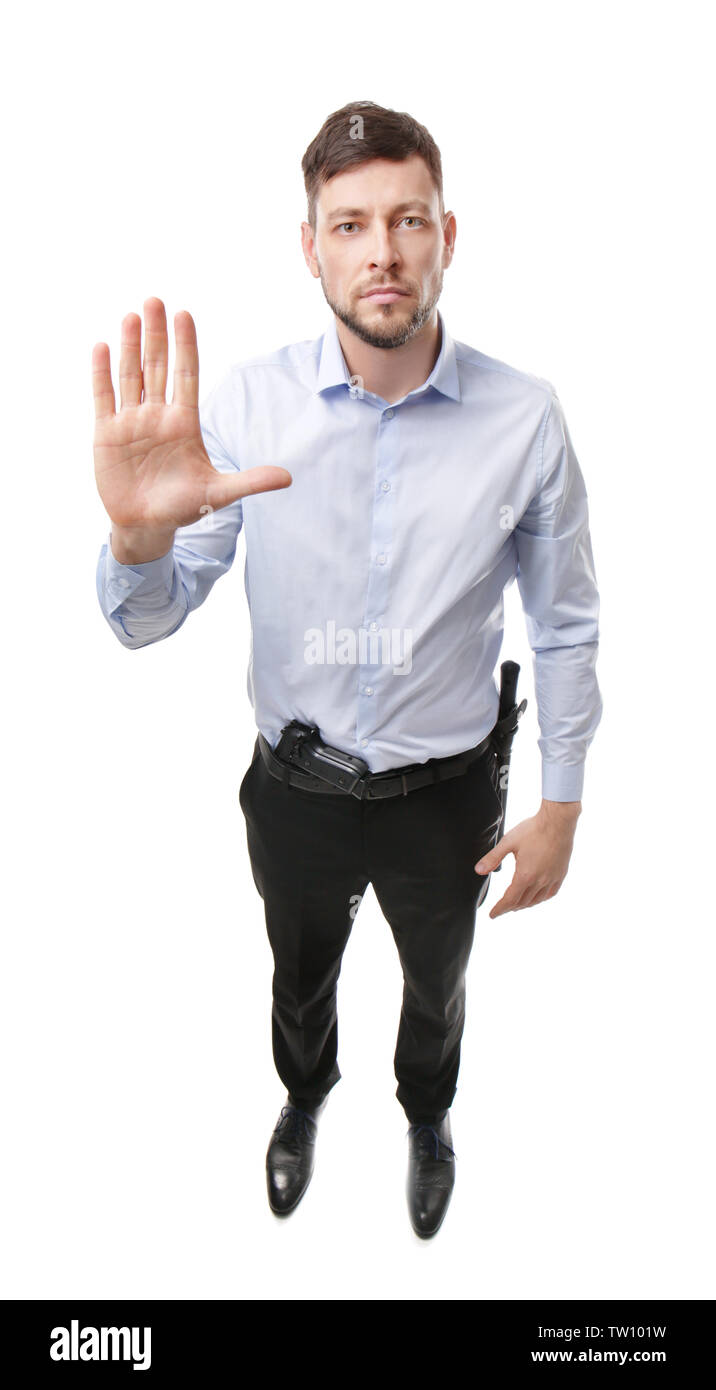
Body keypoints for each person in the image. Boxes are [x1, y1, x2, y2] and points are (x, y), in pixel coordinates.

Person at [93, 100, 602, 1239]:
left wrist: (559, 804)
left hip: (448, 798)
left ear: (446, 235)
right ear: (312, 245)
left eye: (406, 219)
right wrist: (135, 542)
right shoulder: (244, 405)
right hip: (298, 795)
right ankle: (305, 1096)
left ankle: (427, 1114)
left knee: (438, 987)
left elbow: (563, 625)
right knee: (299, 975)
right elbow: (147, 620)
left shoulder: (522, 420)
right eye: (351, 224)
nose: (381, 250)